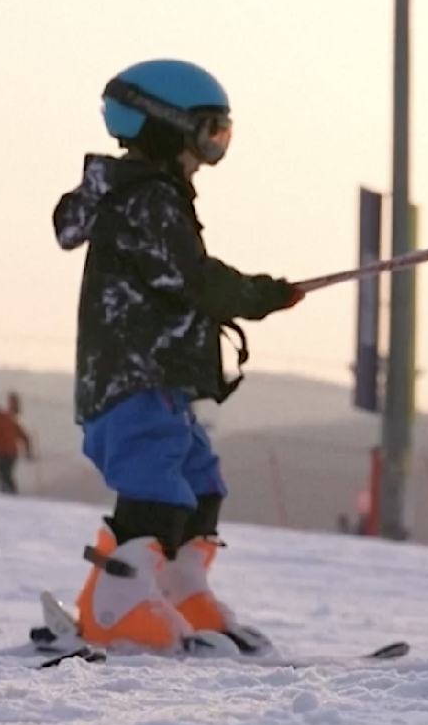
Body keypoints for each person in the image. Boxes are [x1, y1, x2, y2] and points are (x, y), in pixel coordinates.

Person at [53, 59, 300, 655]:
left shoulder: (152, 197)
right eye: (207, 136)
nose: (209, 155)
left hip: (159, 378)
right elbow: (193, 279)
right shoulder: (145, 200)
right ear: (164, 128)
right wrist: (257, 294)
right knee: (157, 489)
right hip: (132, 378)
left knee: (198, 484)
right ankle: (113, 609)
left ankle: (176, 588)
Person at [0, 403, 33, 495]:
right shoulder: (10, 420)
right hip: (13, 453)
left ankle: (7, 493)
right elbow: (24, 436)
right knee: (7, 473)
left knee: (2, 474)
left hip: (2, 453)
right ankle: (11, 492)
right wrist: (28, 451)